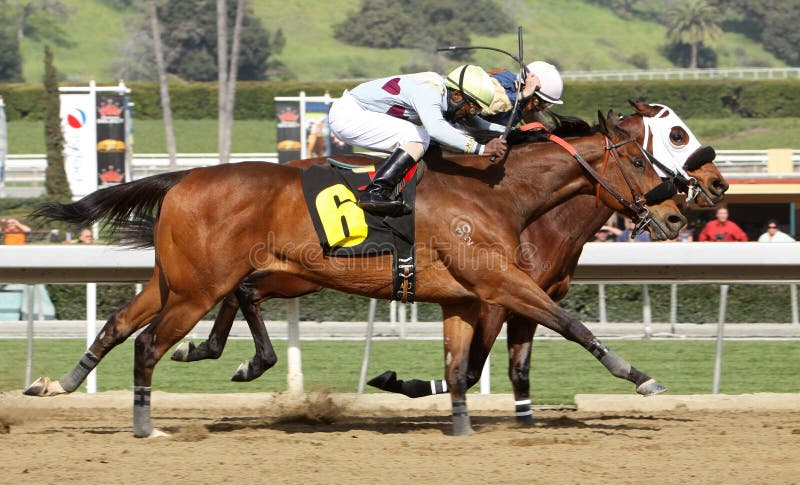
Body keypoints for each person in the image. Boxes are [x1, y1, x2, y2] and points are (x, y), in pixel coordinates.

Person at [328, 65, 508, 216]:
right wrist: (481, 149)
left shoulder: (444, 92)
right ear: (457, 96)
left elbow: (476, 123)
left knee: (426, 143)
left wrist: (509, 131)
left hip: (357, 114)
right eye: (473, 108)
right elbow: (436, 129)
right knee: (419, 137)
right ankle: (375, 192)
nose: (472, 114)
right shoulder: (428, 91)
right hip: (349, 116)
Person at [484, 60, 564, 128]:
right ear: (525, 87)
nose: (539, 109)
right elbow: (488, 106)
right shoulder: (499, 83)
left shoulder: (525, 103)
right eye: (538, 104)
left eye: (545, 105)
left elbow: (542, 125)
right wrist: (525, 94)